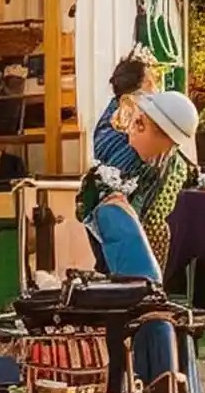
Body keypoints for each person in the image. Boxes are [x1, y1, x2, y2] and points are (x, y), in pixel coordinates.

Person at [87, 90, 203, 393]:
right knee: (136, 304)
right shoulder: (127, 158)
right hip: (122, 236)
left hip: (132, 242)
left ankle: (140, 377)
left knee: (142, 305)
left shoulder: (161, 164)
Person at [79, 53, 195, 270]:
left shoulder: (117, 117)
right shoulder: (133, 119)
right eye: (150, 81)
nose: (155, 87)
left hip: (125, 216)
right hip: (128, 218)